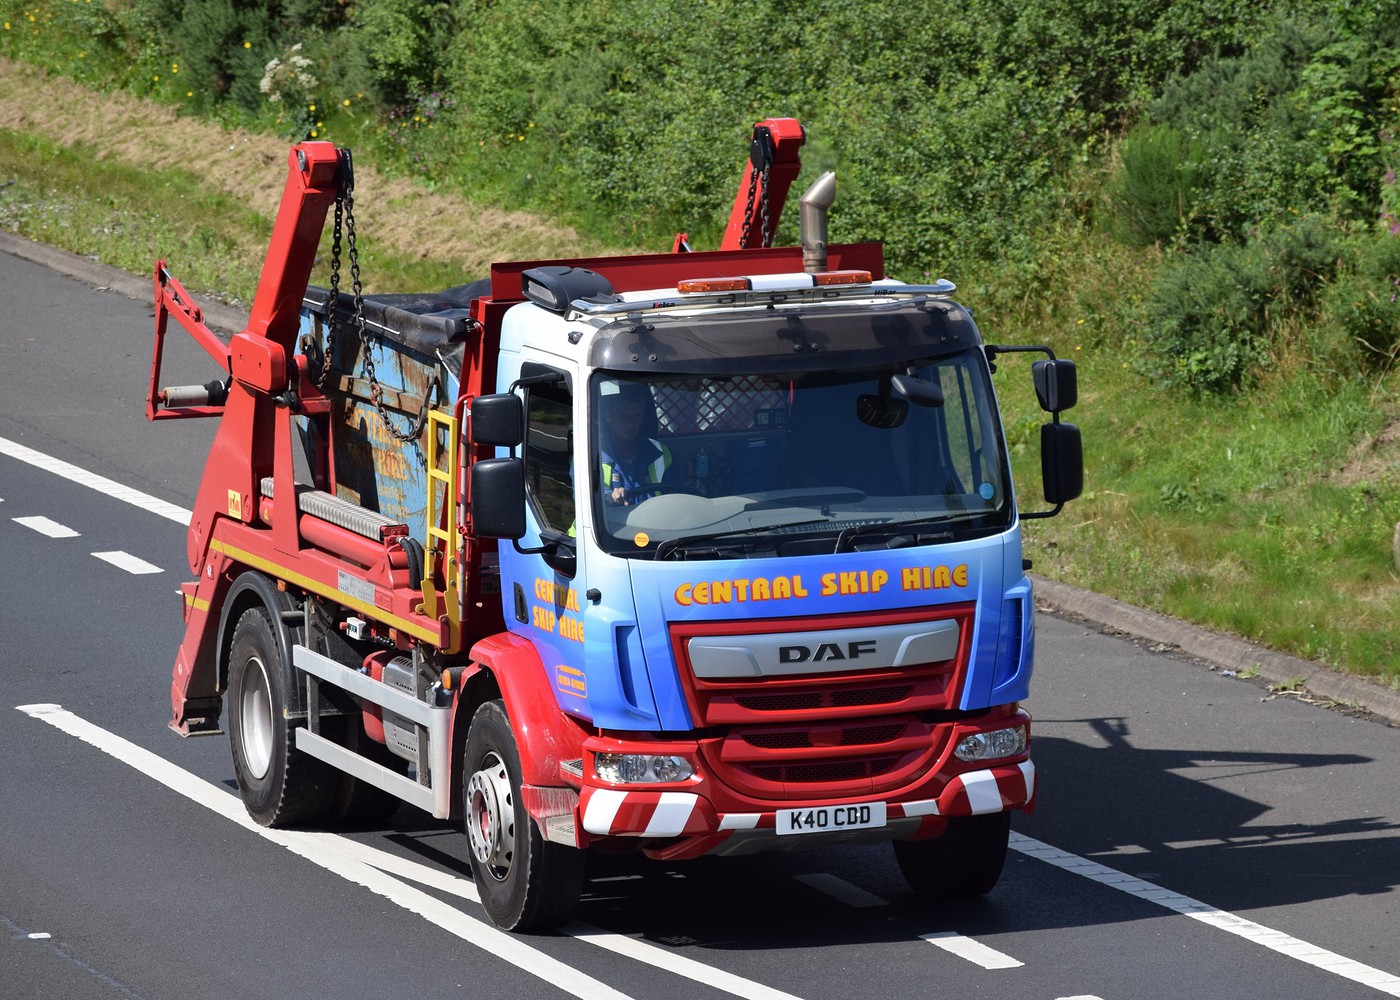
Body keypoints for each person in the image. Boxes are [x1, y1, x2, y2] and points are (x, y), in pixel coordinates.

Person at [598, 383, 672, 505]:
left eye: (637, 416)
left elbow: (679, 497)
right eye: (624, 416)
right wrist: (608, 499)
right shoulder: (590, 454)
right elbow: (585, 500)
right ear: (608, 416)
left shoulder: (660, 452)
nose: (631, 424)